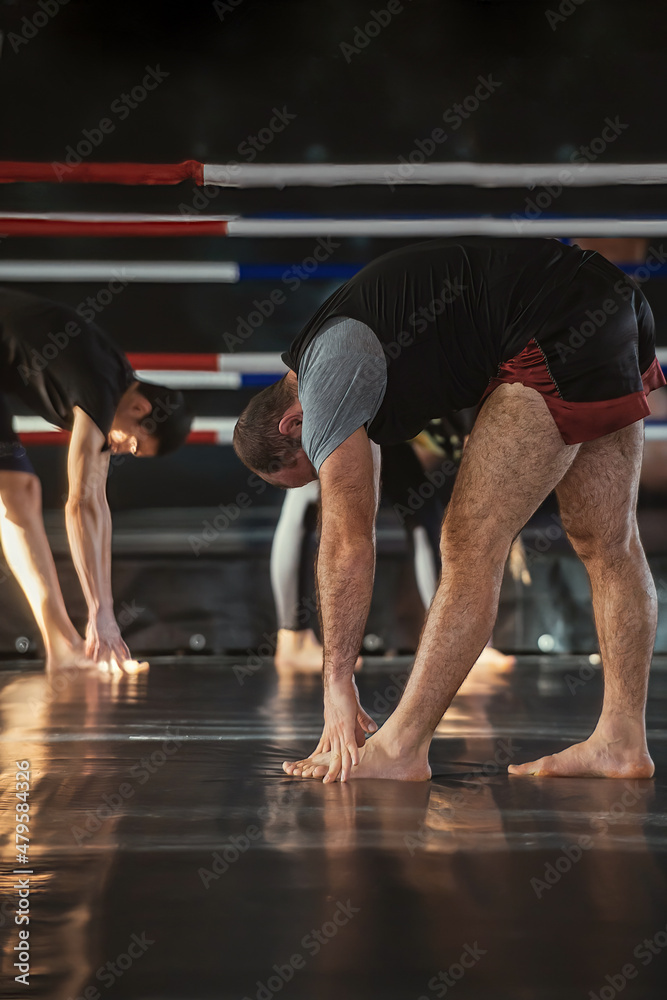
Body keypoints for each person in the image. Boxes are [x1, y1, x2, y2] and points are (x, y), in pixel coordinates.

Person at [233, 238, 665, 782]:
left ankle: (401, 747)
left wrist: (337, 682)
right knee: (608, 542)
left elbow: (346, 541)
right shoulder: (343, 356)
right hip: (613, 303)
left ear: (294, 423)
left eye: (313, 466)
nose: (325, 474)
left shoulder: (327, 378)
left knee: (467, 544)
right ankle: (622, 742)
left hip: (554, 324)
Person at [0, 287, 192, 673]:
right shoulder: (99, 392)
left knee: (18, 491)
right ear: (140, 408)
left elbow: (98, 506)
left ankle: (62, 646)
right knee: (16, 492)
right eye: (134, 444)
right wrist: (100, 612)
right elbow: (79, 504)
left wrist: (104, 608)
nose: (124, 450)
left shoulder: (115, 385)